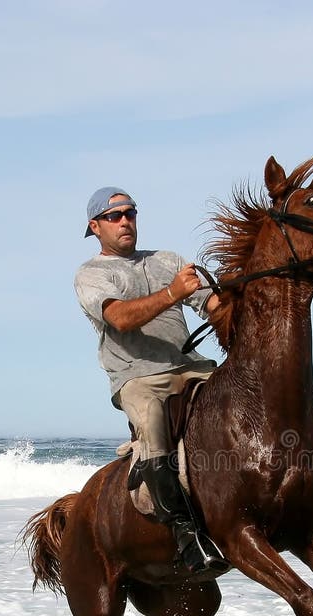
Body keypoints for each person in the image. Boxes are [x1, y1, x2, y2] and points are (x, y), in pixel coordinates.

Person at [74, 186, 227, 575]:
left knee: (256, 399)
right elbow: (122, 318)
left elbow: (213, 306)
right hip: (137, 376)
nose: (125, 221)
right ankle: (185, 534)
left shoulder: (168, 260)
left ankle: (307, 501)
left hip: (191, 364)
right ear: (95, 226)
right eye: (114, 217)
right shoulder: (91, 274)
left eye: (130, 213)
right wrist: (173, 292)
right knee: (155, 431)